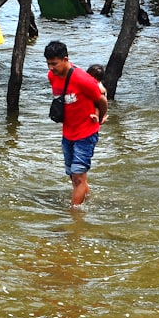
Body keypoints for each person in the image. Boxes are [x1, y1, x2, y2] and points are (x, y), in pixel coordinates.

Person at [45, 41, 108, 207]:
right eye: (48, 63)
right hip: (68, 132)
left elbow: (101, 100)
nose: (51, 68)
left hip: (86, 133)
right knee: (75, 177)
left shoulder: (82, 79)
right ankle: (87, 202)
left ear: (65, 59)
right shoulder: (52, 76)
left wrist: (99, 118)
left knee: (79, 176)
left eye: (54, 63)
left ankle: (74, 218)